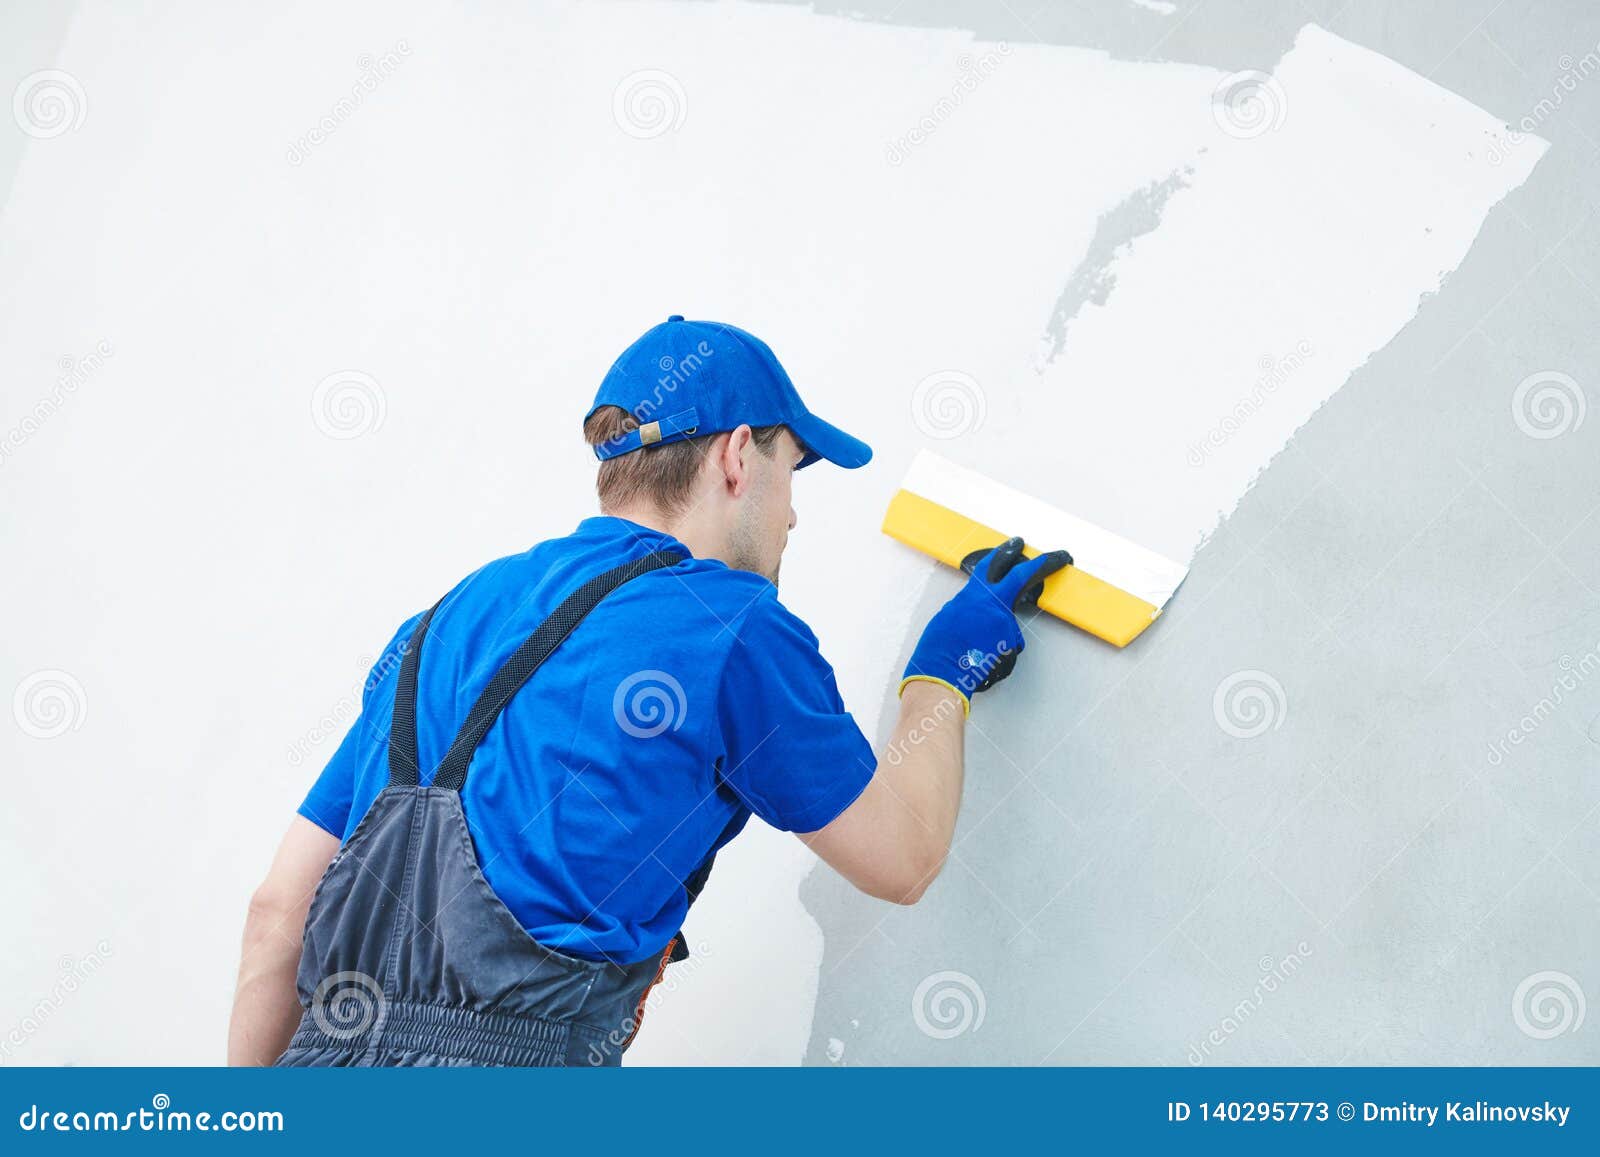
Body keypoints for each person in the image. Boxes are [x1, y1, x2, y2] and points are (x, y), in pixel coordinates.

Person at [227, 316, 1067, 1066]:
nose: (793, 517)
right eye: (791, 470)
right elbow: (904, 857)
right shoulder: (730, 626)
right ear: (739, 455)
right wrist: (939, 679)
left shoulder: (442, 619)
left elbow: (275, 915)